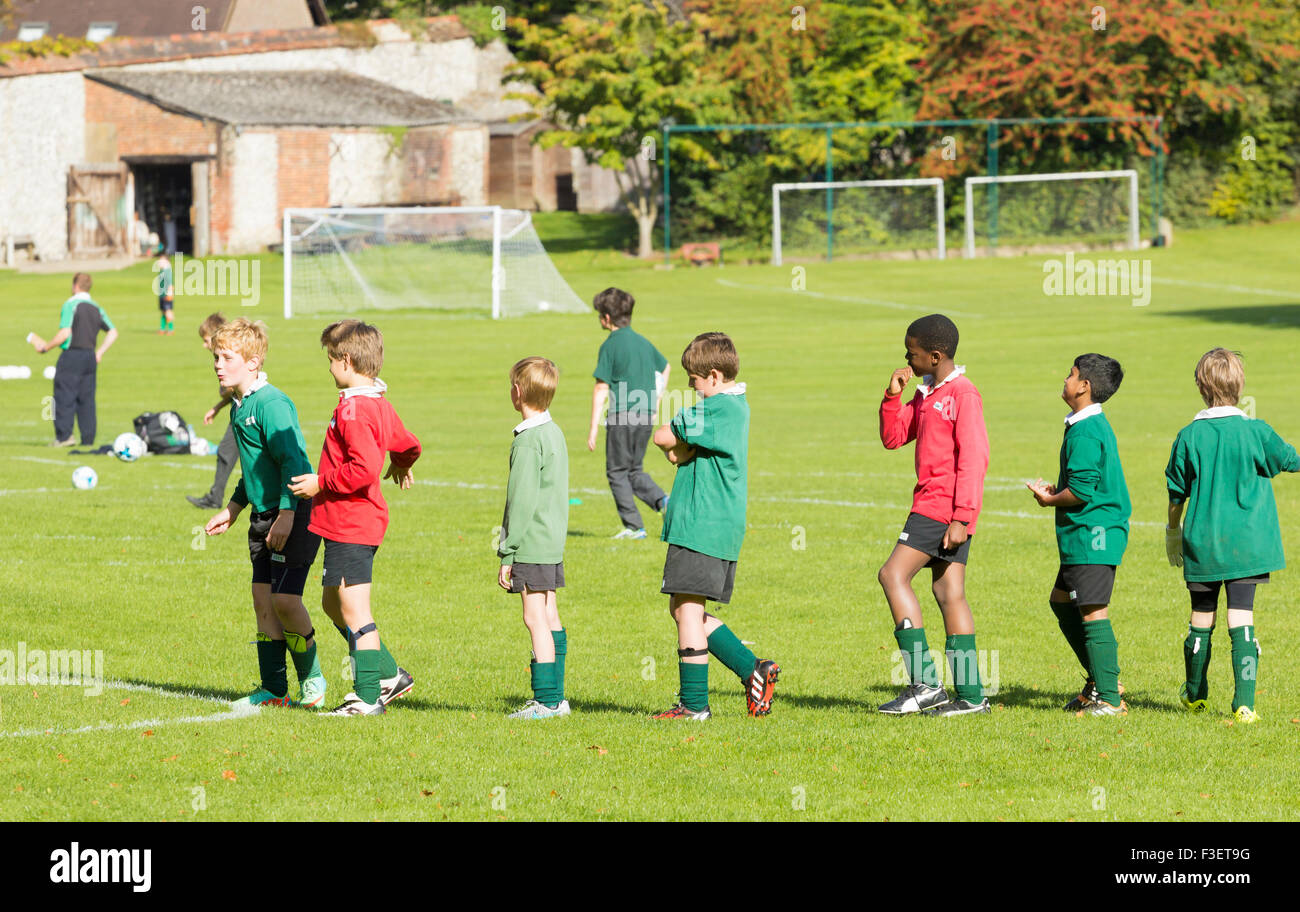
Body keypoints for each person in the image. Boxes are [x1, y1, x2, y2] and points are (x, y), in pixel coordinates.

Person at [288, 320, 421, 716]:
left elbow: (362, 471)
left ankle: (366, 697)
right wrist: (402, 462)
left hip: (352, 522)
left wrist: (319, 483)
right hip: (348, 521)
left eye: (330, 360)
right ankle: (388, 675)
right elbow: (407, 442)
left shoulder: (356, 410)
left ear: (346, 361)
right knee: (333, 603)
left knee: (355, 611)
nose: (328, 368)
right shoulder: (376, 400)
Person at [1165, 348, 1298, 724]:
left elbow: (1177, 493)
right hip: (1248, 545)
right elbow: (1289, 459)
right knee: (1242, 619)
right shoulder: (1257, 431)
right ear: (1239, 386)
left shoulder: (1189, 436)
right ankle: (1245, 704)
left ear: (1200, 387)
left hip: (1204, 544)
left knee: (1200, 617)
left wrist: (1172, 531)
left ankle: (1194, 695)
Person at [650, 332, 779, 719]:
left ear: (715, 375)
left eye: (694, 380)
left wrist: (679, 449)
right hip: (713, 525)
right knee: (684, 608)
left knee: (688, 613)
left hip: (702, 525)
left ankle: (694, 706)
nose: (691, 387)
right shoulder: (735, 406)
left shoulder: (719, 409)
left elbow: (661, 437)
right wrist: (685, 450)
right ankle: (753, 669)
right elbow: (679, 448)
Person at [202, 318, 326, 708]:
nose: (219, 365)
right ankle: (274, 690)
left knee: (286, 601)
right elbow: (255, 470)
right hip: (262, 518)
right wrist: (233, 510)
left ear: (253, 362)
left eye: (227, 357)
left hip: (294, 513)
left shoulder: (271, 404)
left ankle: (314, 680)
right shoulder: (240, 407)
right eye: (216, 357)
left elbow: (294, 463)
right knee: (262, 601)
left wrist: (287, 515)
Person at [877, 314, 990, 716]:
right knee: (948, 593)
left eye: (913, 353)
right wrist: (893, 397)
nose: (907, 358)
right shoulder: (927, 393)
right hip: (937, 506)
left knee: (892, 575)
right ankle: (973, 696)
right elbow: (893, 438)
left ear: (936, 355)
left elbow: (975, 460)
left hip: (940, 508)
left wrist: (963, 517)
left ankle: (925, 684)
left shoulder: (962, 394)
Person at [1027, 353, 1130, 716]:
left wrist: (1050, 498)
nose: (1065, 379)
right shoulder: (1083, 423)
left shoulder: (1086, 430)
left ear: (1084, 386)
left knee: (1091, 611)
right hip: (1084, 533)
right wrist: (1061, 490)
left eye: (1070, 374)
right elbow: (1085, 481)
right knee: (1061, 601)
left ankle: (1111, 698)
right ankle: (1099, 680)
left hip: (1094, 534)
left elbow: (1083, 492)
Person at [497, 357, 571, 719]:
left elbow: (520, 501)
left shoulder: (527, 440)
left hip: (531, 543)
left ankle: (548, 701)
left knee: (534, 617)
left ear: (518, 392)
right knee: (549, 613)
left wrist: (507, 552)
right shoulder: (553, 431)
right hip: (552, 541)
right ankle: (557, 698)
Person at [588, 287, 670, 539]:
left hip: (622, 415)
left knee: (616, 472)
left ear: (607, 318)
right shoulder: (643, 342)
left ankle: (634, 527)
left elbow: (601, 388)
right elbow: (664, 368)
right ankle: (664, 502)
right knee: (634, 469)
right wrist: (654, 401)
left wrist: (593, 428)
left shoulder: (610, 345)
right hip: (644, 415)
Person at [29, 273, 117, 447]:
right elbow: (113, 332)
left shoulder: (71, 305)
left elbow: (65, 333)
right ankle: (88, 438)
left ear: (75, 286)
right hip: (90, 356)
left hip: (72, 355)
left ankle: (64, 436)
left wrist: (46, 347)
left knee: (63, 396)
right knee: (87, 399)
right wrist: (100, 352)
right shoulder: (96, 307)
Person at [187, 313, 239, 510]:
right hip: (238, 408)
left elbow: (236, 388)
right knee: (227, 452)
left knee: (233, 453)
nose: (204, 345)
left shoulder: (230, 357)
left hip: (245, 412)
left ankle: (215, 498)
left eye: (206, 339)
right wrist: (217, 408)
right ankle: (215, 497)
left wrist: (225, 390)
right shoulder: (223, 356)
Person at [153, 243, 175, 335]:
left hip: (167, 293)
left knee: (168, 311)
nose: (159, 262)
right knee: (163, 311)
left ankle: (171, 329)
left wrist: (169, 293)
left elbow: (170, 284)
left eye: (161, 260)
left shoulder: (167, 271)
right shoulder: (162, 270)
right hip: (162, 293)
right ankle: (162, 328)